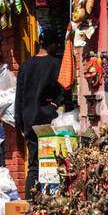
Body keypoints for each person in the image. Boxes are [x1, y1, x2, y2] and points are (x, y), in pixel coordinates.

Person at [15, 24, 64, 194]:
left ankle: (31, 202)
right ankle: (50, 201)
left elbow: (19, 98)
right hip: (48, 120)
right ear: (51, 45)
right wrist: (56, 103)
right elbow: (65, 88)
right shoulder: (56, 64)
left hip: (29, 120)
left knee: (34, 165)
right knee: (51, 162)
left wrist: (20, 123)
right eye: (56, 45)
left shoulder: (26, 65)